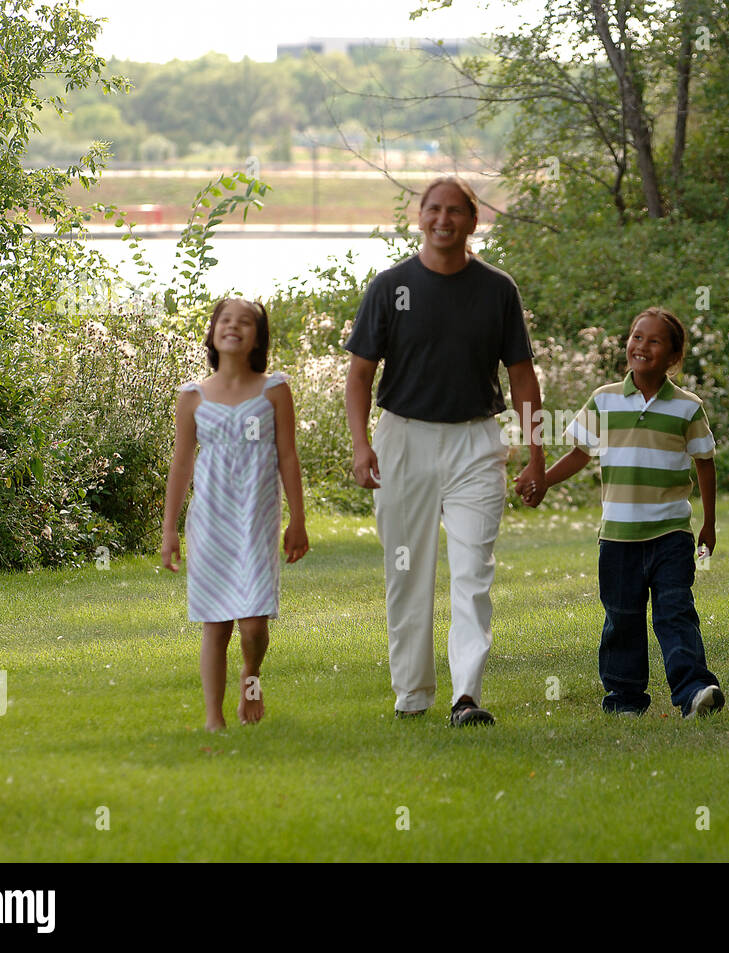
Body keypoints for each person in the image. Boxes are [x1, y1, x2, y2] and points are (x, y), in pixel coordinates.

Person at [345, 176, 545, 726]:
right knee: (407, 571)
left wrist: (535, 455)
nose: (444, 219)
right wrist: (361, 444)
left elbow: (523, 377)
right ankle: (412, 693)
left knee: (473, 570)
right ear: (420, 217)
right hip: (403, 440)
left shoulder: (497, 289)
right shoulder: (390, 287)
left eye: (456, 211)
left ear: (472, 220)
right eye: (434, 209)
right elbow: (360, 373)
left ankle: (466, 697)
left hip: (476, 443)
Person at [529, 306, 724, 718]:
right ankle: (624, 700)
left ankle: (694, 691)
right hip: (617, 537)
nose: (642, 346)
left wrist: (708, 521)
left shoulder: (687, 408)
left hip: (671, 533)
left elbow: (704, 462)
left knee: (675, 612)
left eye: (654, 340)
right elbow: (581, 452)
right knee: (622, 619)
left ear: (673, 356)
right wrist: (543, 480)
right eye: (637, 337)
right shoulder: (604, 400)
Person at [162, 297, 309, 732]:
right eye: (225, 320)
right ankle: (213, 719)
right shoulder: (192, 397)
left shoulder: (274, 390)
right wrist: (169, 529)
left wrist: (297, 519)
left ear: (257, 338)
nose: (234, 327)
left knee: (252, 623)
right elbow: (182, 464)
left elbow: (288, 456)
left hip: (256, 517)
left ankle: (251, 675)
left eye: (245, 323)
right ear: (212, 332)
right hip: (210, 520)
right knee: (216, 622)